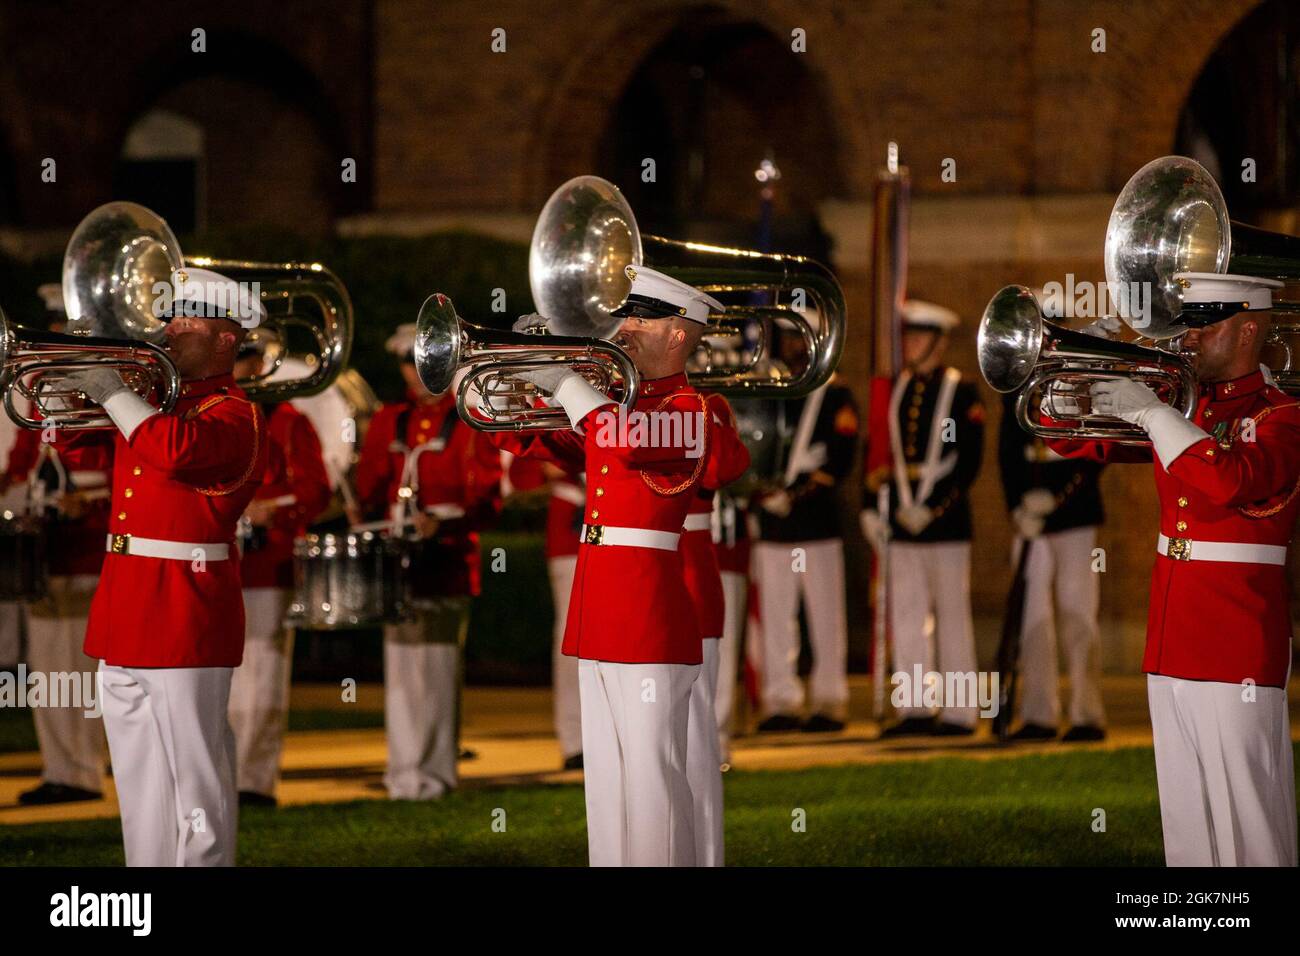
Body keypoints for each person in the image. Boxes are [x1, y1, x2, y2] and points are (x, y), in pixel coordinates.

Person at [1049, 273, 1297, 866]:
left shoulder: (1283, 416)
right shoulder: (1185, 407)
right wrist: (1079, 365)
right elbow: (1066, 436)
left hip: (1237, 643)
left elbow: (1232, 479)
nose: (1187, 339)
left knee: (1249, 823)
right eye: (1185, 324)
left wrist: (1154, 414)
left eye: (1204, 325)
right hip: (1171, 639)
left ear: (1248, 330)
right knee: (1186, 826)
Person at [490, 265, 722, 866]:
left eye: (642, 317)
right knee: (608, 782)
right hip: (601, 611)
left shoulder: (690, 410)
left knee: (651, 784)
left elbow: (623, 438)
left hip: (647, 615)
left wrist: (565, 384)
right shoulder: (625, 403)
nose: (626, 327)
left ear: (679, 333)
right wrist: (519, 382)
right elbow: (547, 440)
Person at [65, 267, 269, 866]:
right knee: (140, 784)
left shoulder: (237, 415)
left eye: (188, 319)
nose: (169, 329)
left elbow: (176, 453)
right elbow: (66, 441)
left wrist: (111, 390)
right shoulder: (151, 405)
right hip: (126, 610)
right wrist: (57, 382)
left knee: (195, 782)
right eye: (170, 317)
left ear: (228, 337)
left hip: (186, 611)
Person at [351, 324, 503, 800]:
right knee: (399, 675)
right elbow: (371, 485)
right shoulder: (389, 419)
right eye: (406, 366)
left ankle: (434, 777)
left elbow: (488, 495)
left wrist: (448, 524)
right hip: (399, 561)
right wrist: (361, 504)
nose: (413, 377)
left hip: (446, 560)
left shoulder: (467, 419)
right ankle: (402, 775)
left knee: (435, 673)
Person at [6, 284, 111, 805]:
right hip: (49, 553)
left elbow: (134, 473)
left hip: (93, 550)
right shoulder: (37, 397)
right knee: (49, 670)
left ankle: (86, 772)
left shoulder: (109, 392)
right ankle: (60, 770)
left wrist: (89, 503)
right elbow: (23, 467)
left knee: (86, 672)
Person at [863, 299, 984, 736]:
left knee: (952, 615)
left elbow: (968, 463)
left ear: (938, 341)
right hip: (901, 521)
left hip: (946, 522)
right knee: (908, 615)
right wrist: (868, 505)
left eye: (917, 336)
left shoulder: (962, 391)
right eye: (906, 336)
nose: (908, 344)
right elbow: (876, 452)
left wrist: (932, 509)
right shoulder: (897, 389)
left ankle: (959, 711)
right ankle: (915, 707)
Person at [228, 339, 331, 807]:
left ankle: (255, 779)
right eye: (239, 359)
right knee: (225, 677)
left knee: (264, 674)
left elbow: (316, 492)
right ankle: (226, 773)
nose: (247, 368)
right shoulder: (220, 417)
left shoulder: (290, 422)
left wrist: (277, 511)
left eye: (252, 359)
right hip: (224, 564)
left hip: (270, 563)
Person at [750, 372, 859, 733]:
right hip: (775, 527)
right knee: (776, 619)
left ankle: (829, 700)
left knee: (824, 617)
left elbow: (840, 456)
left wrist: (794, 495)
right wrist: (762, 493)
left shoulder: (834, 395)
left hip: (816, 523)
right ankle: (780, 700)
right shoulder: (771, 391)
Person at [998, 391, 1107, 742]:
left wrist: (1057, 501)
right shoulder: (1018, 386)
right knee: (1031, 617)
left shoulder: (1075, 382)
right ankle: (1037, 713)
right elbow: (1007, 450)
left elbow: (1094, 451)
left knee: (1078, 614)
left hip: (1075, 514)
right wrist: (1017, 506)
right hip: (1030, 516)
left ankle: (1086, 714)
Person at [681, 393, 749, 865]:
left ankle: (704, 855)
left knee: (697, 737)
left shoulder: (706, 406)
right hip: (636, 582)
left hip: (689, 575)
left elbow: (720, 467)